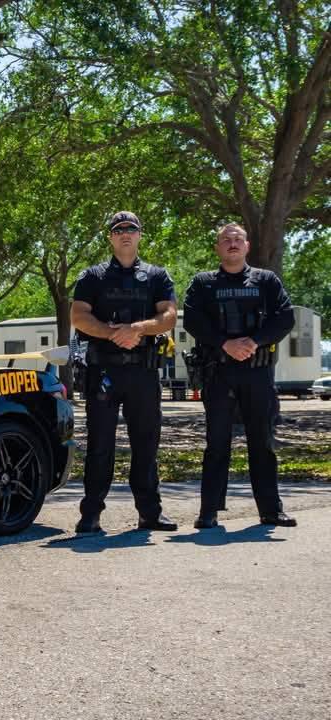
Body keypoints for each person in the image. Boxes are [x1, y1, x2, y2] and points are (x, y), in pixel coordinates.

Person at [70, 211, 178, 534]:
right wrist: (111, 333)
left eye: (131, 229)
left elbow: (169, 316)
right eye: (118, 230)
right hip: (103, 372)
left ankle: (150, 513)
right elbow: (78, 315)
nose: (125, 234)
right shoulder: (92, 276)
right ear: (111, 237)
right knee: (99, 445)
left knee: (146, 444)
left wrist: (136, 330)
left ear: (140, 235)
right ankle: (90, 515)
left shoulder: (157, 276)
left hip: (143, 374)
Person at [182, 223, 296, 529]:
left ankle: (271, 510)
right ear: (218, 248)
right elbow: (192, 319)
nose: (232, 244)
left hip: (257, 372)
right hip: (218, 372)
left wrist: (254, 342)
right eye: (225, 240)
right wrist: (225, 343)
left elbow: (285, 317)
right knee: (216, 443)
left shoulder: (266, 281)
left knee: (263, 442)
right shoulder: (203, 283)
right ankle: (209, 511)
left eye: (238, 239)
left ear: (247, 246)